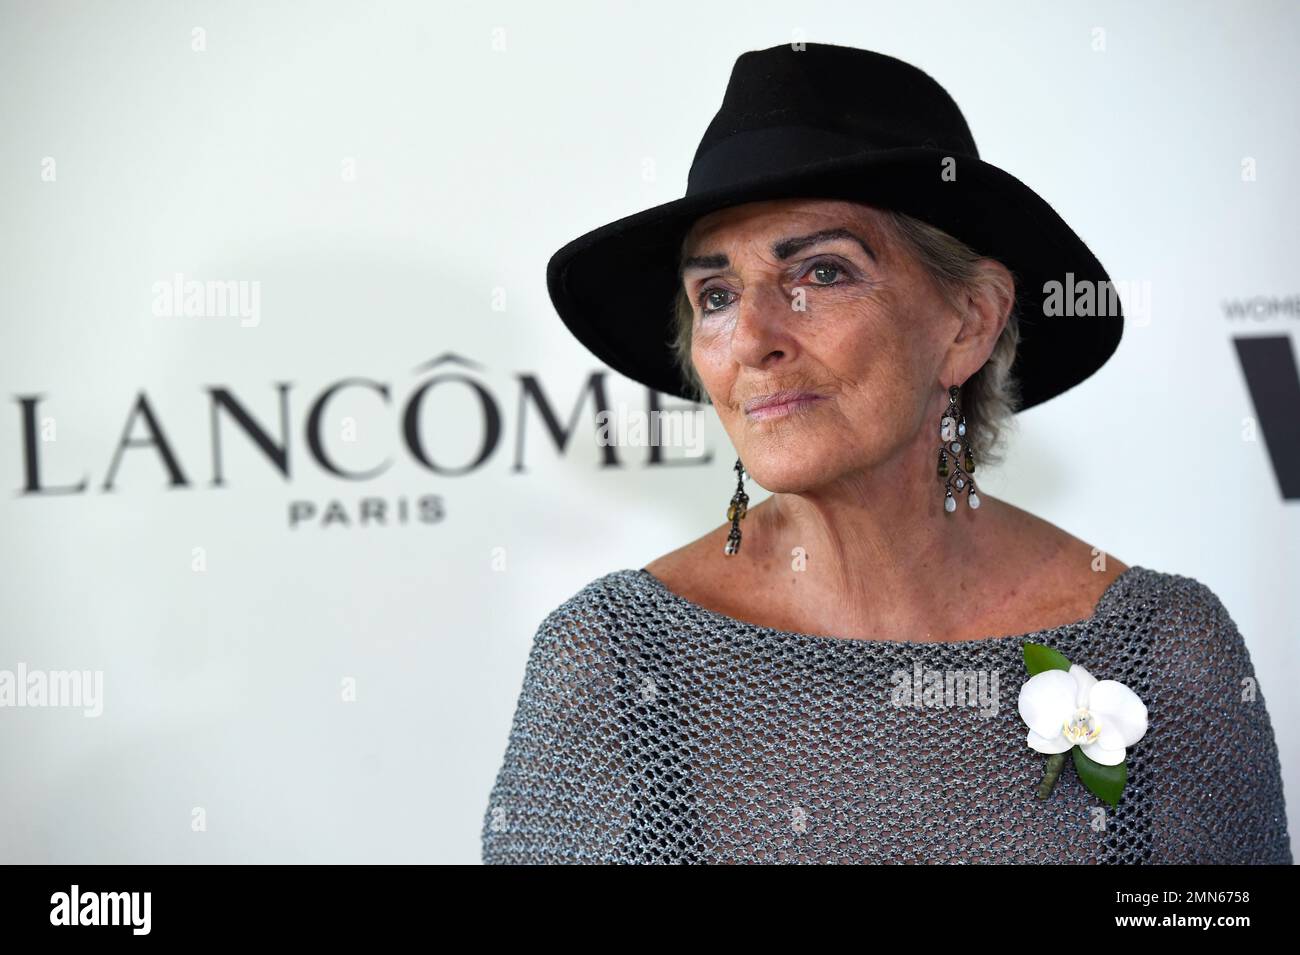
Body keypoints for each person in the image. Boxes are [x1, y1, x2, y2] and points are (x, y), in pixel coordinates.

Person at [480, 42, 1292, 863]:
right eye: (717, 296)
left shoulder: (1163, 647)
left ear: (969, 320)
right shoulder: (612, 660)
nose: (755, 337)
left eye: (822, 273)